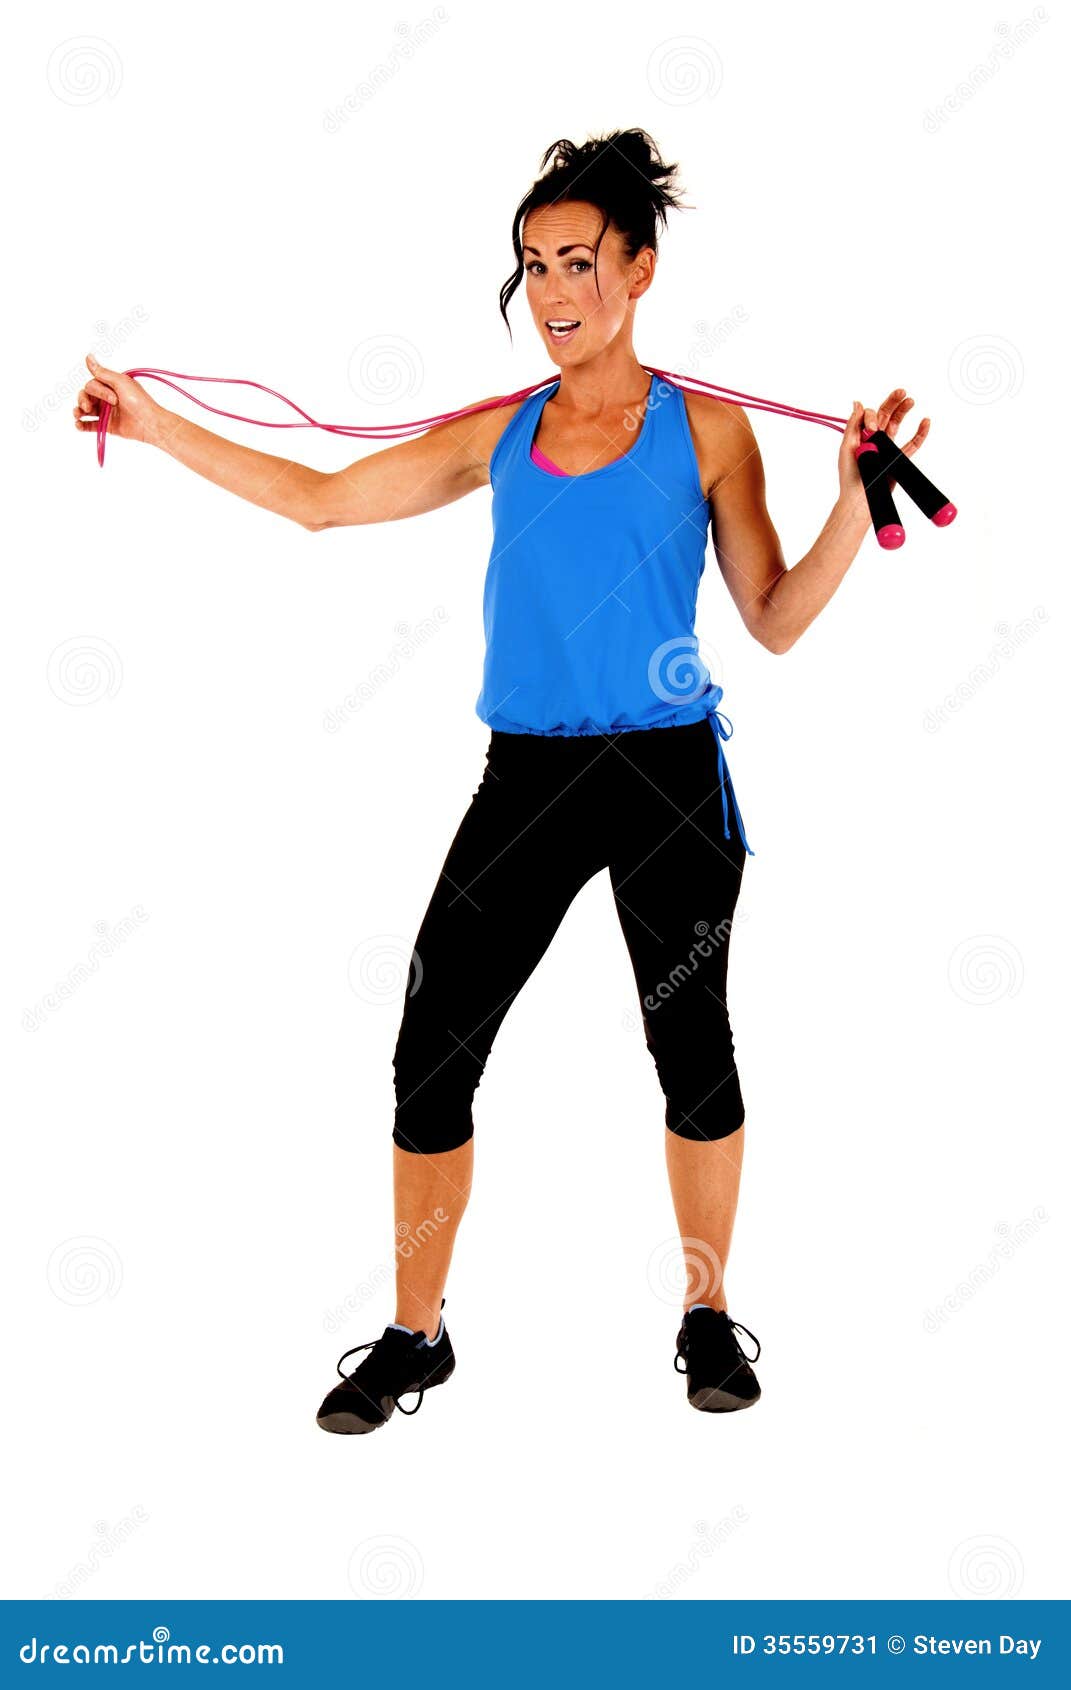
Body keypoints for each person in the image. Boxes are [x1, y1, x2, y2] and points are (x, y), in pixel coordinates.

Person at [74, 127, 929, 1433]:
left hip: (665, 778)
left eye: (578, 261)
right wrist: (151, 423)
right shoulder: (503, 431)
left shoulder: (708, 428)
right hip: (526, 777)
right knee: (431, 1051)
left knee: (689, 1047)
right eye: (534, 266)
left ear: (639, 270)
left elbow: (773, 615)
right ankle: (418, 1336)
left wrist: (850, 505)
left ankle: (706, 1314)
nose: (551, 293)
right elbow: (318, 500)